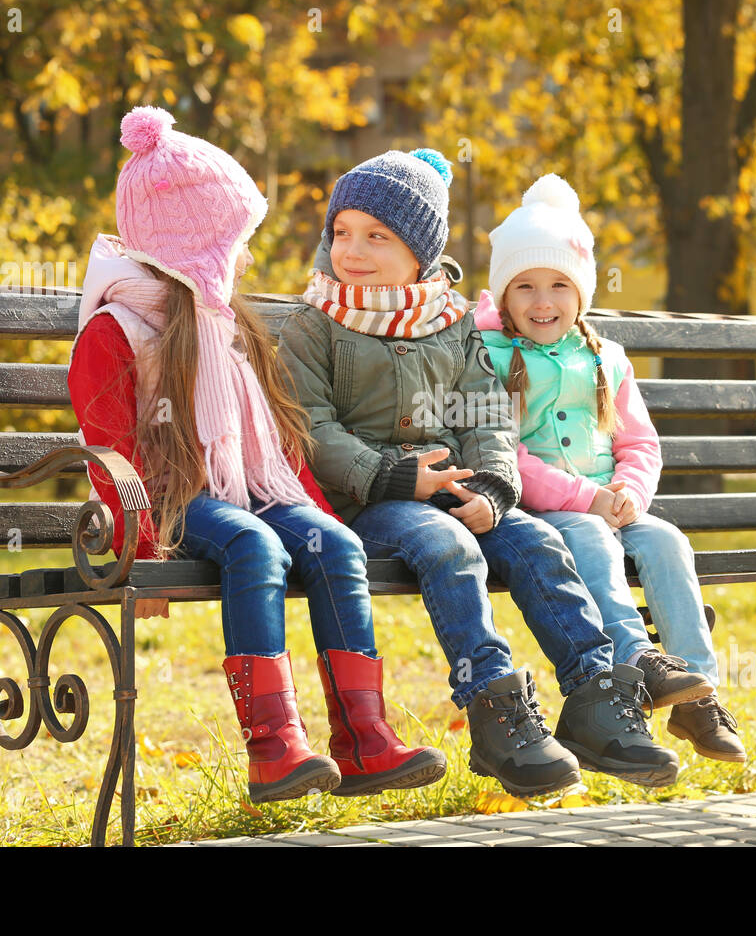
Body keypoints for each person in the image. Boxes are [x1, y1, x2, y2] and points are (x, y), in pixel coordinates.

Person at [67, 107, 446, 803]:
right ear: (193, 244)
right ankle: (274, 746)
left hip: (253, 487)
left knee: (332, 548)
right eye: (233, 239)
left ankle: (364, 739)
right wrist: (136, 543)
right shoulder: (117, 327)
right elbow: (109, 447)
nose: (243, 257)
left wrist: (325, 515)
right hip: (177, 497)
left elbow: (274, 440)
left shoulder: (228, 325)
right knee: (253, 547)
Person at [276, 148, 680, 797]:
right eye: (342, 233)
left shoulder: (452, 322)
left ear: (420, 251)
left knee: (539, 543)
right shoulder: (313, 327)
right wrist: (399, 476)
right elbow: (312, 430)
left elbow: (490, 418)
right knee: (449, 546)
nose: (353, 249)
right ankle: (495, 709)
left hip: (457, 488)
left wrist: (494, 487)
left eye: (377, 236)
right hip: (368, 499)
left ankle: (595, 696)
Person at [473, 173, 747, 763]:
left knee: (669, 541)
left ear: (581, 294)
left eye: (558, 285)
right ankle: (636, 658)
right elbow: (501, 452)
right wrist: (586, 499)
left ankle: (699, 696)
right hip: (543, 510)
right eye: (524, 287)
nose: (542, 301)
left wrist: (629, 491)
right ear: (503, 296)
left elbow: (641, 442)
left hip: (613, 504)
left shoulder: (606, 357)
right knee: (594, 536)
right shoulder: (488, 357)